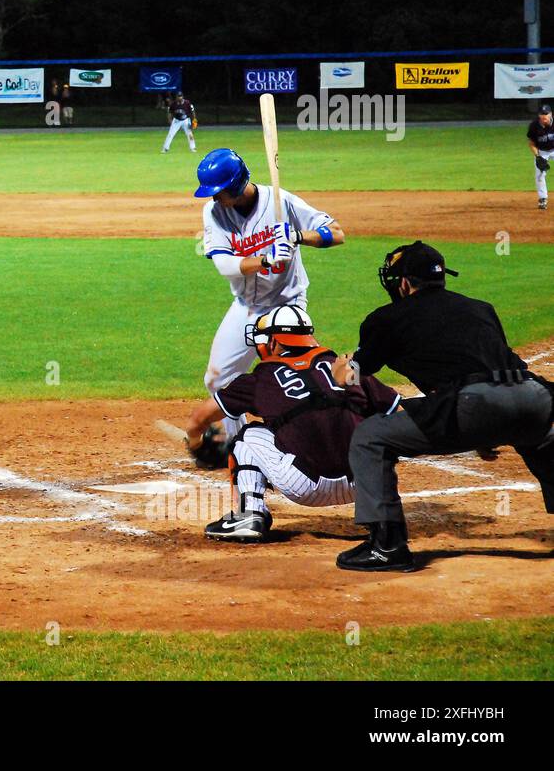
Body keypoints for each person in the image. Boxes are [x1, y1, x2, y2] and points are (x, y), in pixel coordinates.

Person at [330, 241, 554, 571]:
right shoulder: (481, 308)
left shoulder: (387, 319)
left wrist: (340, 367)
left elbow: (351, 378)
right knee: (539, 438)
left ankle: (387, 546)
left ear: (404, 283)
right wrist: (488, 427)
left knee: (370, 437)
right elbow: (502, 367)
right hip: (535, 396)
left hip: (473, 405)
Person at [184, 305, 402, 542]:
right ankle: (382, 518)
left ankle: (249, 515)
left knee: (247, 436)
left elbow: (198, 419)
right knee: (372, 423)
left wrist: (196, 445)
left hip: (304, 487)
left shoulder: (261, 379)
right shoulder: (349, 367)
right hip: (363, 485)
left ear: (275, 342)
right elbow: (396, 412)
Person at [196, 148, 345, 441]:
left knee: (299, 376)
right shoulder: (214, 212)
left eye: (218, 192)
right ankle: (237, 446)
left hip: (286, 308)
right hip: (247, 307)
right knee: (216, 379)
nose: (214, 198)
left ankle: (317, 435)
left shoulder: (282, 202)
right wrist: (265, 259)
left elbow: (336, 233)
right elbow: (225, 265)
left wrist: (297, 236)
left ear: (235, 186)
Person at [527, 103, 553, 210]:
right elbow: (531, 143)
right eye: (542, 114)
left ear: (551, 114)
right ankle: (543, 199)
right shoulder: (534, 126)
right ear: (539, 115)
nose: (544, 116)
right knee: (539, 174)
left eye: (546, 114)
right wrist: (537, 156)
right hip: (542, 151)